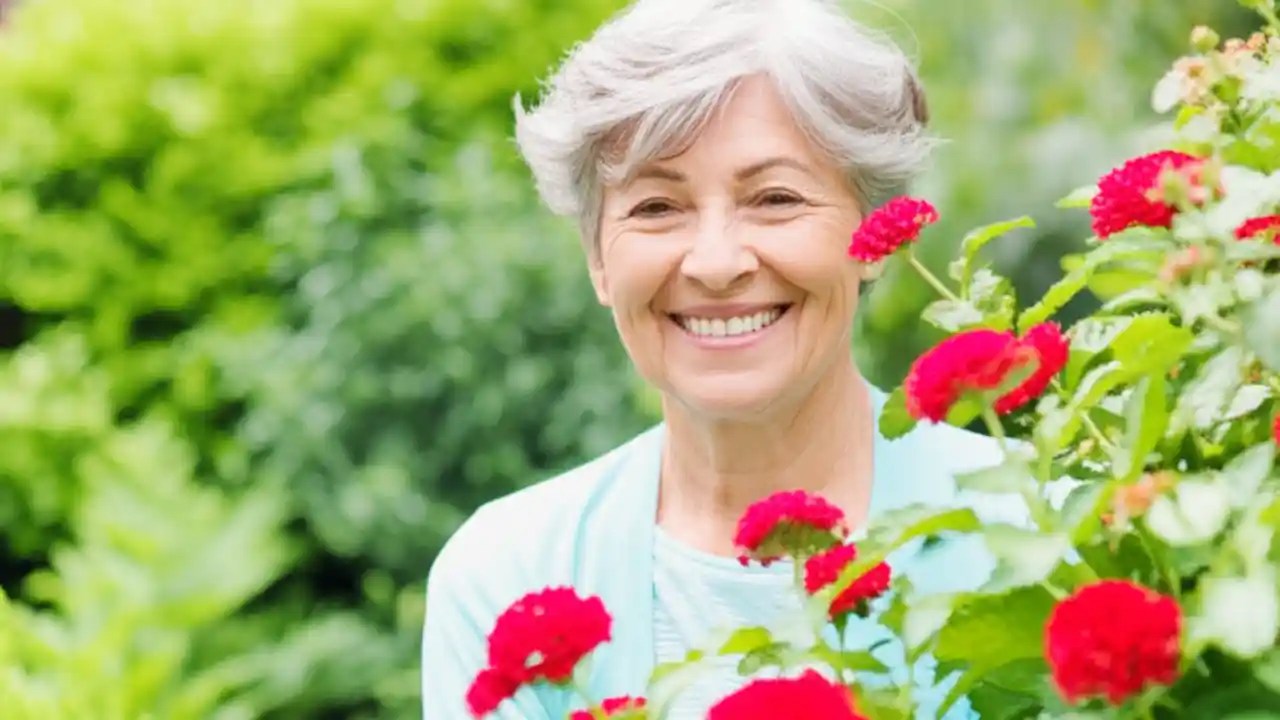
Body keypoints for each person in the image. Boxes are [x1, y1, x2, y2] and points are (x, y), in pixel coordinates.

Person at [422, 1, 1020, 717]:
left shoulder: (1042, 534)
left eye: (774, 198)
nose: (715, 262)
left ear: (869, 236)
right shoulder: (504, 575)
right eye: (656, 208)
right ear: (596, 259)